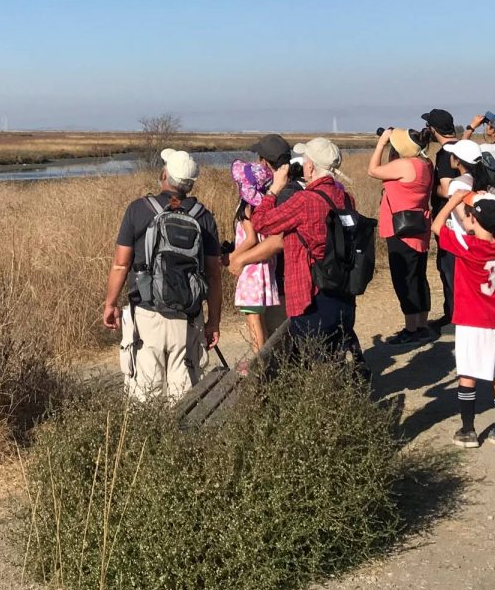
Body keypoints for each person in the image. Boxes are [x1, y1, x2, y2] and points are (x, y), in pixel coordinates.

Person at [101, 148, 224, 401]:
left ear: (165, 173)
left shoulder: (138, 209)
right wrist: (213, 321)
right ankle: (183, 440)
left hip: (146, 313)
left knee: (145, 392)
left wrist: (110, 304)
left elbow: (121, 265)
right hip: (188, 317)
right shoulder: (204, 217)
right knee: (185, 394)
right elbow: (213, 275)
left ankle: (148, 440)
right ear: (189, 184)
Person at [229, 138, 363, 366]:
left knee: (310, 360)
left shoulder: (305, 200)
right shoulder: (345, 197)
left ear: (310, 166)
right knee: (332, 356)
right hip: (341, 288)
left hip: (309, 293)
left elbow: (262, 223)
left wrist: (273, 190)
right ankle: (340, 397)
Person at [434, 192, 495, 449]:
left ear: (475, 220)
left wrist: (453, 201)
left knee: (467, 374)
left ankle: (468, 430)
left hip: (470, 319)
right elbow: (493, 229)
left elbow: (436, 226)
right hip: (494, 318)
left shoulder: (468, 246)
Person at [368, 128, 435, 345]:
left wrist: (381, 143)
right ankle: (422, 325)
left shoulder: (405, 165)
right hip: (420, 226)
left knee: (403, 279)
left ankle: (411, 329)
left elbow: (373, 170)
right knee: (418, 276)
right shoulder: (425, 164)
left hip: (401, 229)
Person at [229, 160, 282, 367]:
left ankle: (259, 363)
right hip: (264, 268)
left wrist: (234, 256)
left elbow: (250, 239)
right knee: (259, 318)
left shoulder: (246, 207)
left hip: (251, 271)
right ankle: (264, 358)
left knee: (253, 319)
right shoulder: (265, 206)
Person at [422, 108, 462, 327]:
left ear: (433, 129)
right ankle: (455, 312)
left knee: (449, 267)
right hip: (463, 218)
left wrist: (431, 187)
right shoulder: (464, 148)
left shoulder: (446, 154)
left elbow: (448, 190)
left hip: (449, 219)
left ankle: (454, 316)